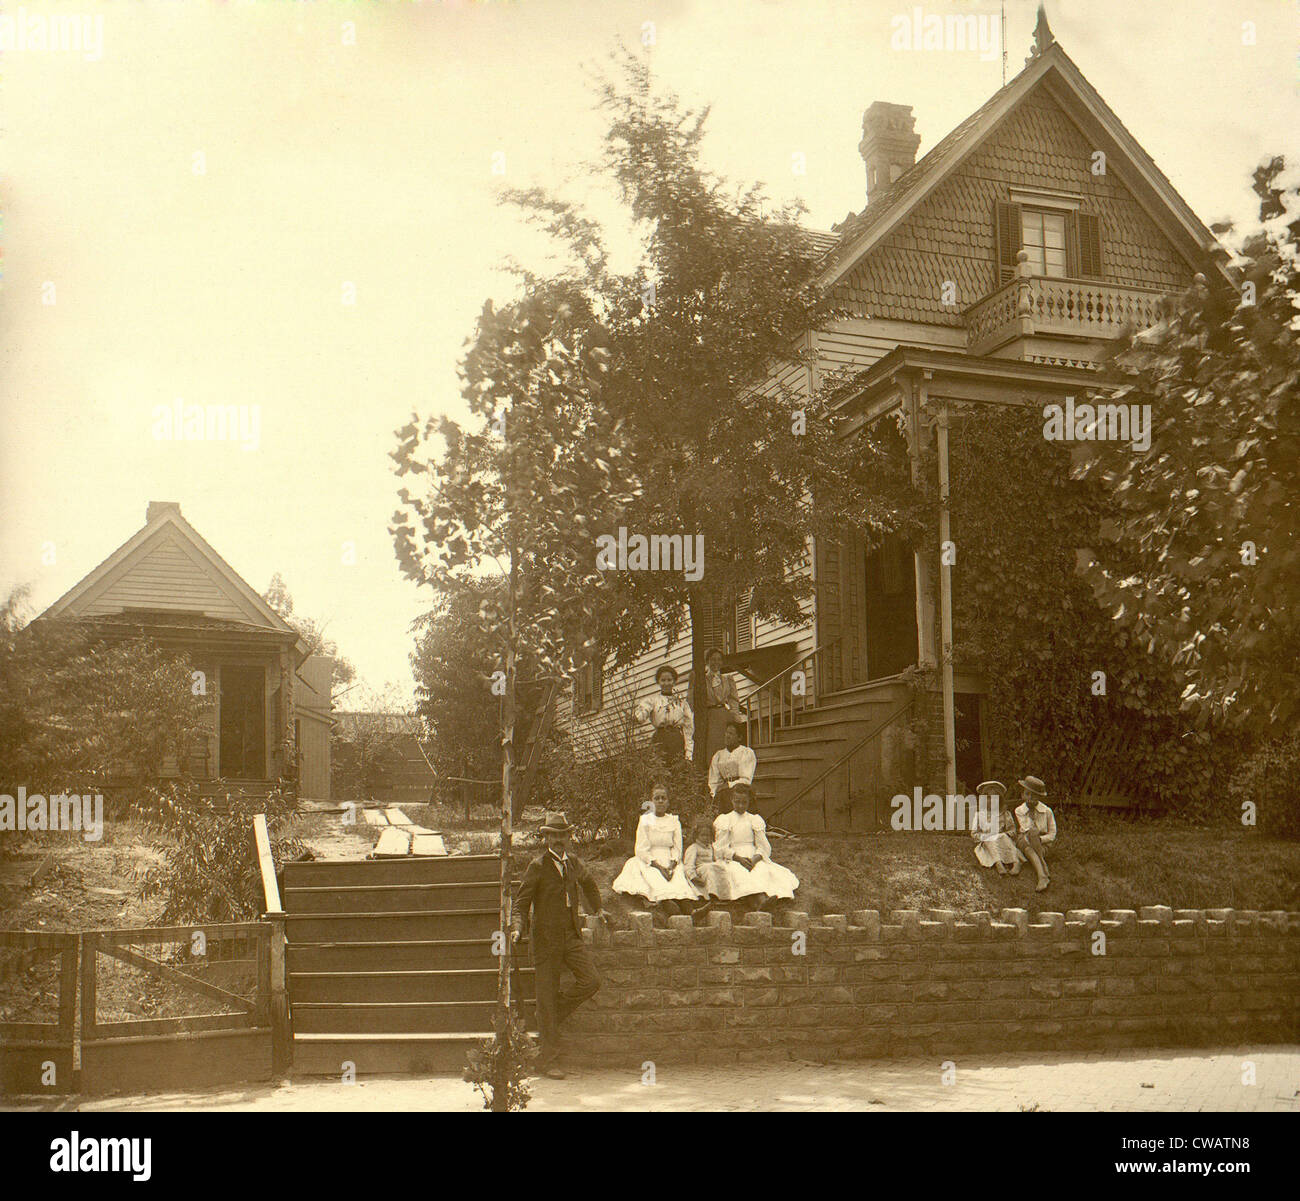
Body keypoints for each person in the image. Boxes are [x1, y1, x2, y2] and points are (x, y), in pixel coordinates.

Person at [511, 811, 606, 1079]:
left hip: (571, 937)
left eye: (562, 835)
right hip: (545, 942)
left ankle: (547, 1014)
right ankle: (548, 1060)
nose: (558, 840)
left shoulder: (574, 863)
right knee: (546, 996)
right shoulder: (537, 866)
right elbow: (521, 903)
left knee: (591, 980)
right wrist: (517, 928)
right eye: (552, 835)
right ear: (546, 838)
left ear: (568, 837)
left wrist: (598, 910)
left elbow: (589, 884)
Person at [611, 783, 699, 915]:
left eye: (663, 798)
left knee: (678, 877)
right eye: (656, 798)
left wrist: (673, 864)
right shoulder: (645, 820)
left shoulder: (674, 821)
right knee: (654, 877)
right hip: (650, 859)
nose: (660, 801)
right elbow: (641, 848)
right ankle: (669, 906)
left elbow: (677, 847)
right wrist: (658, 866)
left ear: (668, 801)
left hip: (669, 858)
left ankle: (690, 910)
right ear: (651, 801)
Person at [712, 782, 799, 906]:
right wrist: (737, 858)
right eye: (737, 802)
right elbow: (720, 847)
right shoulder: (725, 819)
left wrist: (755, 859)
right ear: (732, 800)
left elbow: (763, 846)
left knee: (761, 871)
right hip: (733, 857)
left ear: (749, 802)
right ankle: (760, 902)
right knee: (738, 872)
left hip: (753, 856)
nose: (741, 806)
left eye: (744, 802)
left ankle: (763, 900)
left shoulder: (754, 819)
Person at [633, 664, 694, 765]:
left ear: (674, 681)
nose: (666, 683)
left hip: (676, 740)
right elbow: (643, 711)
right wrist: (638, 716)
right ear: (658, 682)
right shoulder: (653, 700)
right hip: (660, 739)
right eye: (663, 680)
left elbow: (688, 728)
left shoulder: (681, 703)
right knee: (660, 768)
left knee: (677, 768)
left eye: (669, 680)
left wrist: (689, 752)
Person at [693, 648, 742, 765]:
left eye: (719, 659)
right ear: (707, 662)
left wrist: (736, 717)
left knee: (728, 745)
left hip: (725, 715)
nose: (716, 662)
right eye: (713, 659)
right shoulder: (702, 679)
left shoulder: (727, 679)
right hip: (710, 715)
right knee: (713, 746)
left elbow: (733, 700)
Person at [969, 779, 1025, 875]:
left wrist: (1004, 834)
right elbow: (974, 833)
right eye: (988, 798)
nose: (990, 801)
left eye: (994, 798)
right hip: (989, 843)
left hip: (1003, 841)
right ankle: (998, 863)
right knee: (989, 838)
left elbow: (1012, 830)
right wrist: (983, 836)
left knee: (1003, 837)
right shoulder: (979, 815)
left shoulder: (1004, 814)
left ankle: (1016, 862)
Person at [1012, 776, 1057, 892]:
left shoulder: (1047, 811)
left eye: (1034, 796)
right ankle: (1042, 873)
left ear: (1039, 797)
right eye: (1027, 794)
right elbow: (1025, 829)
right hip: (1025, 839)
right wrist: (1032, 822)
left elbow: (1052, 834)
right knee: (1031, 833)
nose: (1030, 798)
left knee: (1033, 837)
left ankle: (1041, 872)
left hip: (1043, 843)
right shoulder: (1019, 811)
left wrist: (1040, 840)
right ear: (1022, 795)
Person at [683, 818, 732, 902]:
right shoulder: (693, 848)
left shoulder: (711, 847)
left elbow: (716, 859)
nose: (705, 838)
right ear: (696, 835)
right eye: (703, 835)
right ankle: (711, 895)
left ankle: (723, 895)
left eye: (708, 835)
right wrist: (693, 877)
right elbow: (689, 865)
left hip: (710, 868)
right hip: (700, 870)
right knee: (709, 868)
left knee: (721, 868)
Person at [708, 721, 757, 801]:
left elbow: (746, 780)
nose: (727, 736)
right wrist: (714, 794)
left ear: (739, 737)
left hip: (741, 791)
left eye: (731, 733)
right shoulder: (718, 755)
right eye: (726, 733)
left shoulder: (746, 753)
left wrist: (728, 785)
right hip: (723, 794)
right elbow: (713, 781)